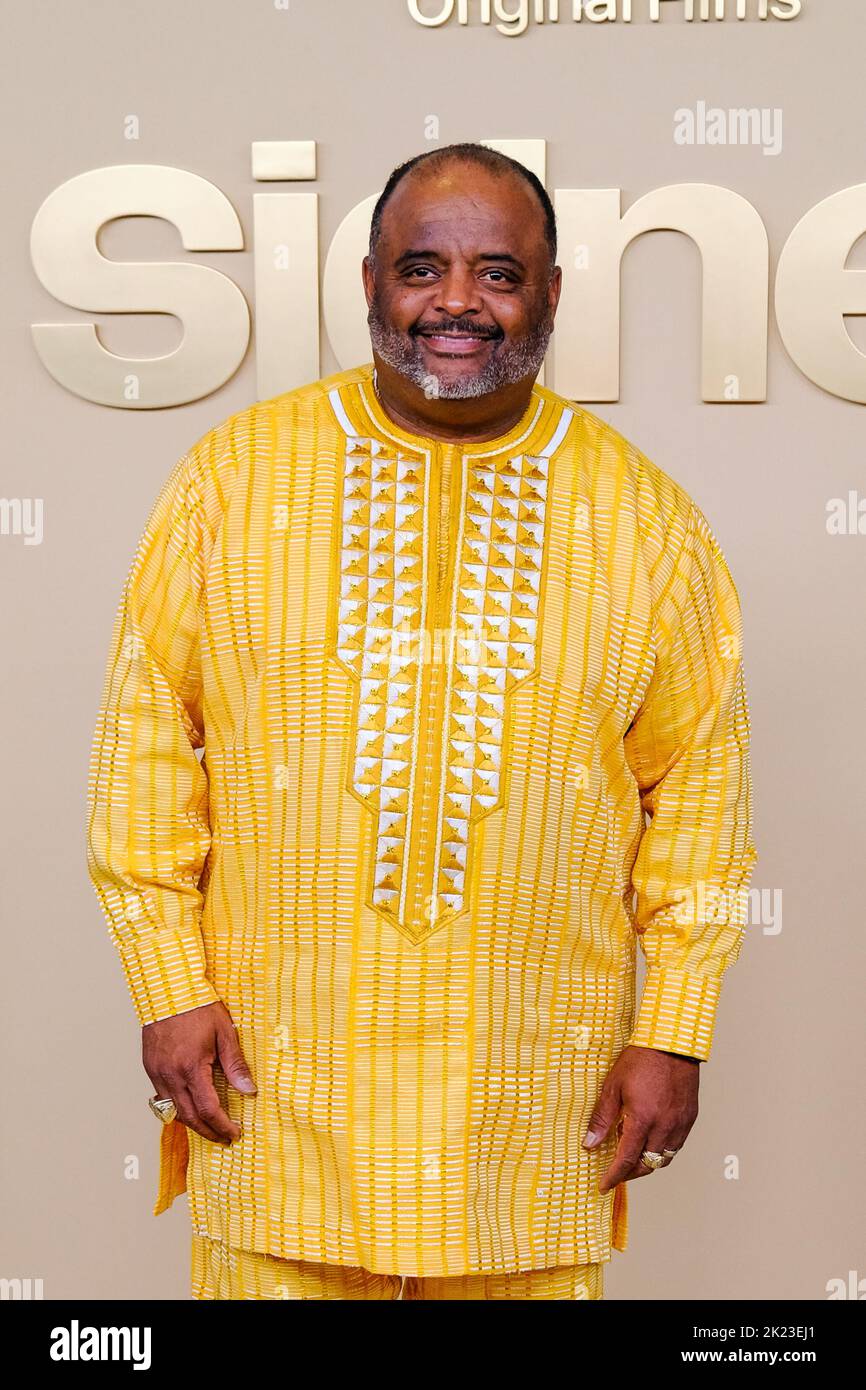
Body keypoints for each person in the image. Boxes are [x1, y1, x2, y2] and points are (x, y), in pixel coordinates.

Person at [86, 142, 758, 1301]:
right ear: (366, 284)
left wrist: (676, 1030)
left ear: (552, 294)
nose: (456, 301)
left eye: (498, 273)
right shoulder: (234, 481)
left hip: (534, 1093)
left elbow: (699, 801)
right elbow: (145, 751)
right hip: (275, 1072)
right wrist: (167, 984)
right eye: (421, 267)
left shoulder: (647, 524)